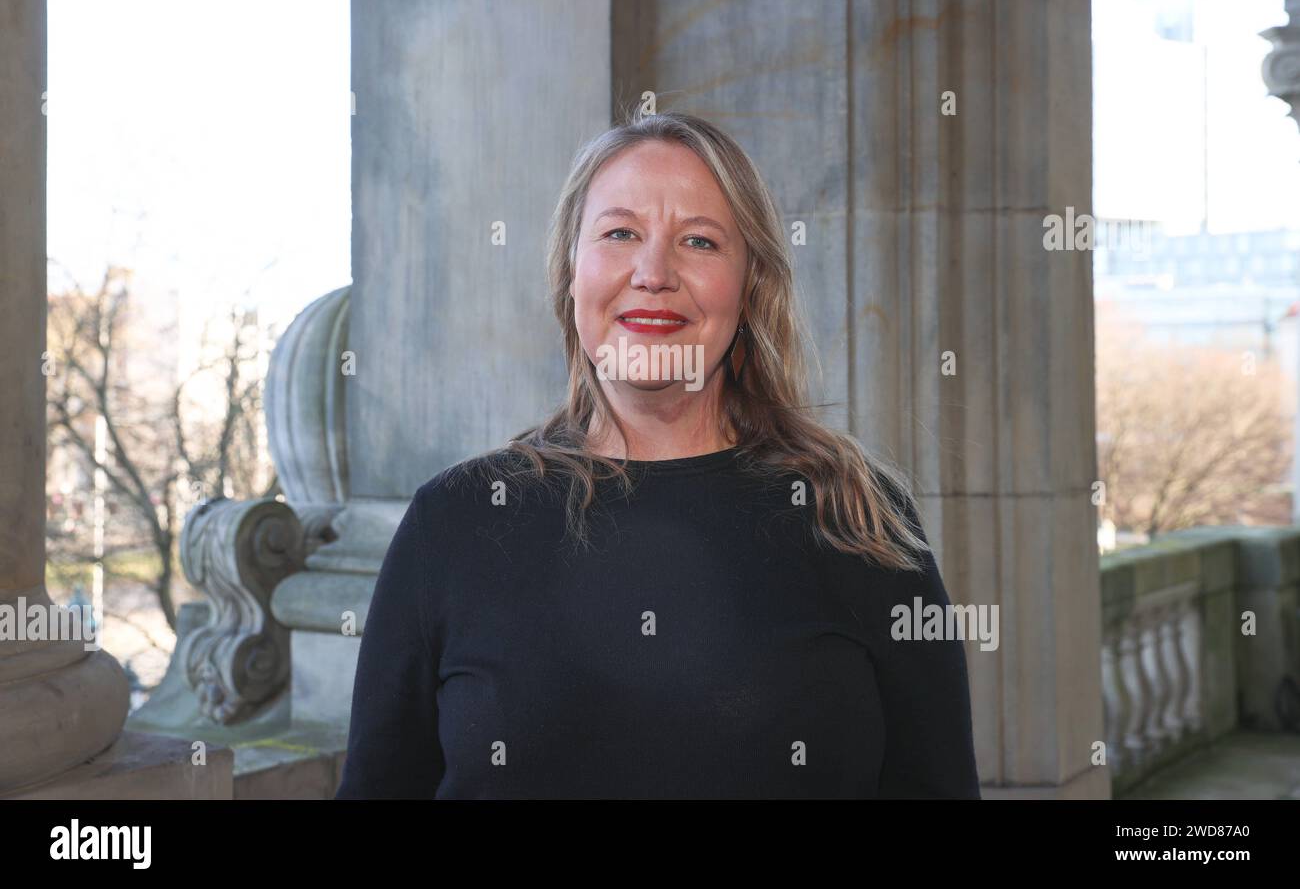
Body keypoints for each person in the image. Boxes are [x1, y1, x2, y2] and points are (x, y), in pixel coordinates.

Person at [335, 110, 981, 799]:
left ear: (751, 284)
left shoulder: (858, 516)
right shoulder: (454, 522)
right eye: (619, 233)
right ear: (571, 273)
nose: (653, 272)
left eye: (699, 242)